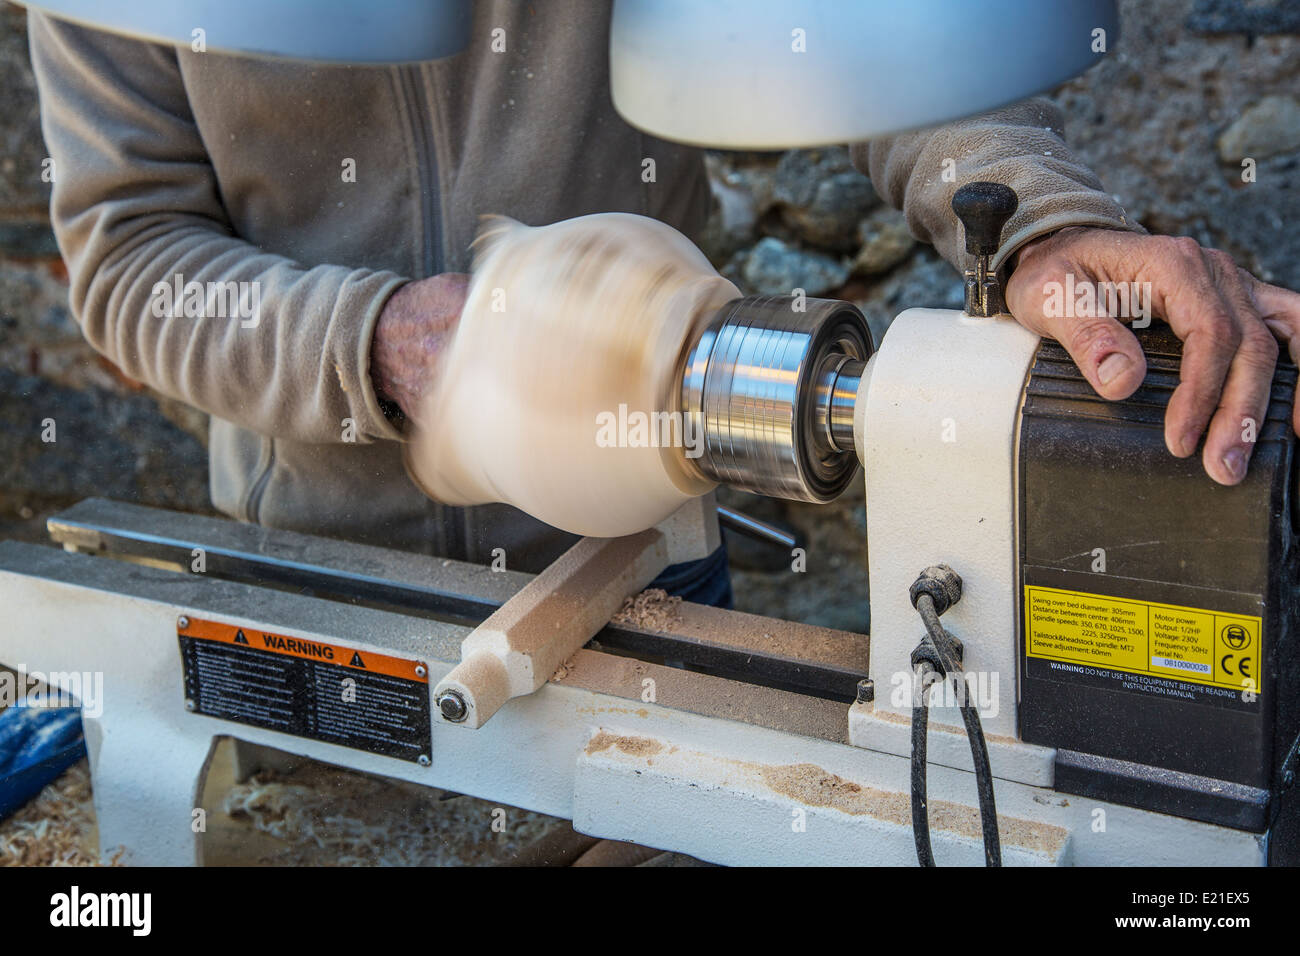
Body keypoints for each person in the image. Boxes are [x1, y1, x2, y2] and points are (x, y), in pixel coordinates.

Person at [28, 4, 1300, 606]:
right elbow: (133, 254)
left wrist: (1042, 221)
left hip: (636, 558)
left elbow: (866, 43)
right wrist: (379, 344)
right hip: (310, 575)